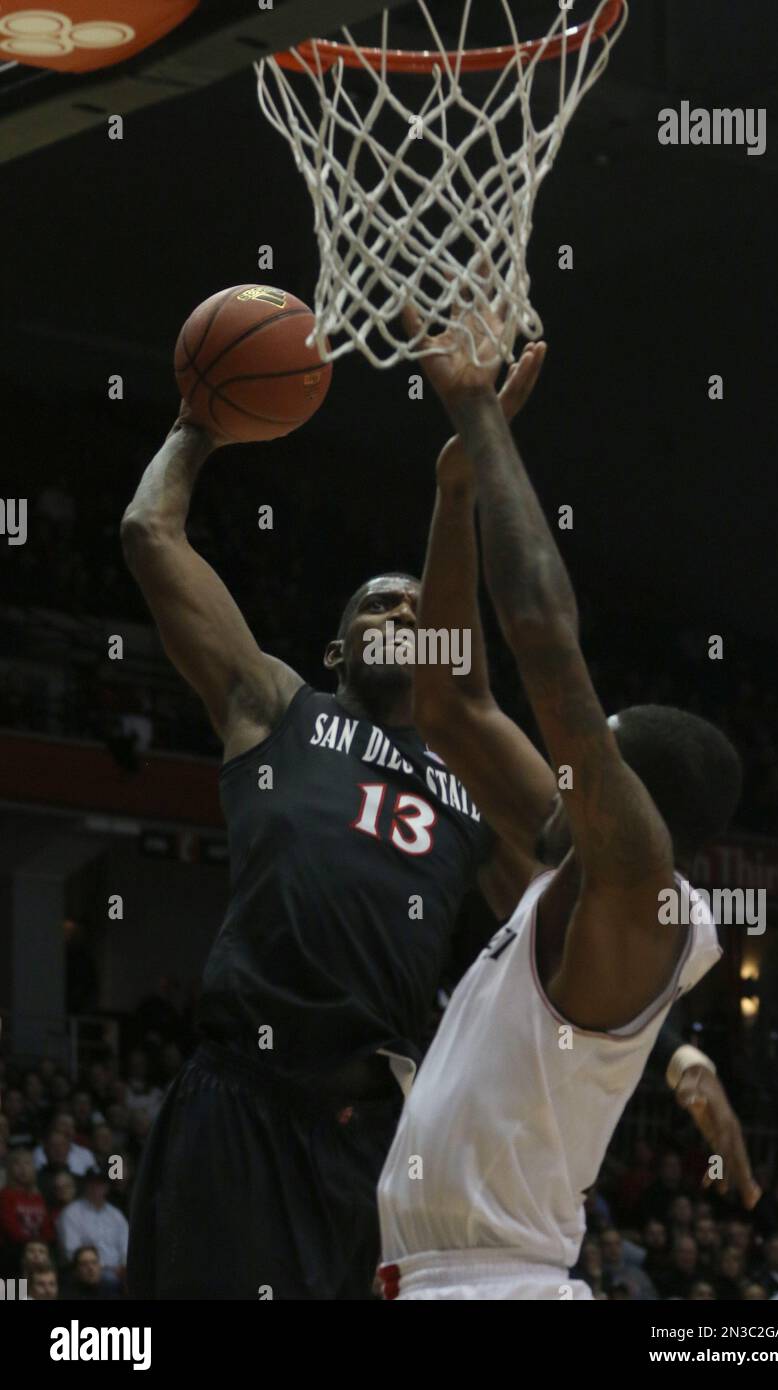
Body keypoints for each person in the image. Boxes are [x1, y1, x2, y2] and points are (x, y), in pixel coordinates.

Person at [375, 302, 759, 1300]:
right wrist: (455, 489)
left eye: (599, 762)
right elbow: (451, 701)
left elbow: (542, 633)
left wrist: (480, 414)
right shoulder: (575, 867)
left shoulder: (638, 900)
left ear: (642, 815)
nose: (568, 770)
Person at [120, 402, 527, 1299]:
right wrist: (198, 423)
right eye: (379, 605)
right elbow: (150, 533)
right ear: (338, 648)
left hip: (374, 1136)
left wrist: (674, 1050)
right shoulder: (282, 707)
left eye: (420, 605)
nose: (402, 611)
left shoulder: (479, 789)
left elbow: (570, 928)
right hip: (239, 1103)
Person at [56, 1168, 128, 1288]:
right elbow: (71, 1252)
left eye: (101, 1183)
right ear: (86, 1185)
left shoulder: (116, 1215)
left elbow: (126, 1246)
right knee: (110, 1280)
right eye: (92, 1183)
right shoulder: (71, 1213)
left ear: (107, 1187)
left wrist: (124, 1267)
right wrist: (100, 1268)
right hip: (87, 1270)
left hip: (120, 1271)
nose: (96, 1187)